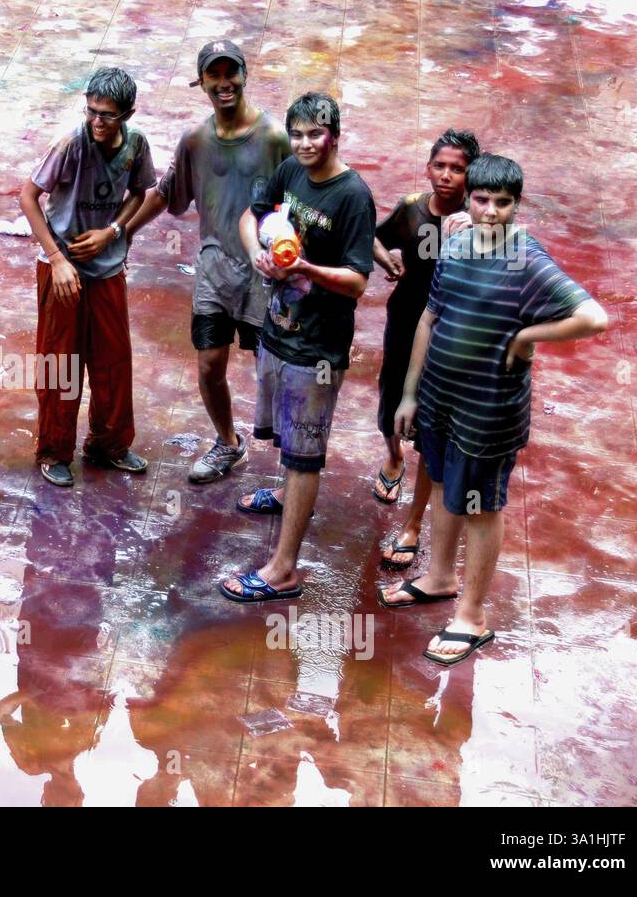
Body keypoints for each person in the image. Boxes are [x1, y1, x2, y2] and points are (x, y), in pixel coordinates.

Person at [386, 154, 608, 665]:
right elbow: (429, 318)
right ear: (469, 199)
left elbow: (592, 317)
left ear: (516, 205)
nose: (490, 212)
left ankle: (473, 616)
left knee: (482, 505)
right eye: (482, 200)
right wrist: (410, 393)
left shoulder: (526, 259)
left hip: (489, 410)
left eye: (502, 203)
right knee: (442, 485)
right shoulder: (456, 243)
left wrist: (528, 335)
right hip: (440, 395)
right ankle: (439, 576)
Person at [220, 92, 376, 603]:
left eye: (317, 133)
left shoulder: (353, 195)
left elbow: (356, 282)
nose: (307, 143)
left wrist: (305, 269)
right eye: (299, 133)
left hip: (318, 350)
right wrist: (259, 253)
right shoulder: (290, 170)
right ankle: (287, 495)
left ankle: (283, 569)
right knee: (287, 439)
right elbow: (252, 216)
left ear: (336, 135)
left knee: (306, 453)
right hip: (279, 330)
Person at [126, 40, 289, 484]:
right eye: (213, 76)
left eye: (229, 73)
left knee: (273, 370)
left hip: (265, 275)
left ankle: (294, 465)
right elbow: (165, 193)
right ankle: (227, 443)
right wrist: (122, 232)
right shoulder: (195, 141)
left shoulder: (275, 137)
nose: (224, 84)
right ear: (202, 83)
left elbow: (305, 194)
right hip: (215, 270)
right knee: (208, 365)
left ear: (244, 75)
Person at [19, 67, 157, 488]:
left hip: (107, 265)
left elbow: (141, 191)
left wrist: (113, 231)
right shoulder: (70, 144)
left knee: (113, 361)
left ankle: (108, 445)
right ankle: (54, 450)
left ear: (128, 114)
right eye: (93, 111)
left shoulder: (136, 145)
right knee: (59, 363)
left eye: (108, 115)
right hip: (62, 268)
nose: (97, 121)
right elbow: (28, 196)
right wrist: (56, 258)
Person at [373, 130, 480, 572]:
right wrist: (389, 261)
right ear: (428, 167)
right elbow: (371, 235)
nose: (447, 176)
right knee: (390, 406)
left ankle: (414, 524)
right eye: (440, 166)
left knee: (430, 433)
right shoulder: (412, 209)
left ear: (471, 175)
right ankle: (393, 456)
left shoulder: (480, 222)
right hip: (403, 324)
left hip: (447, 337)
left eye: (457, 169)